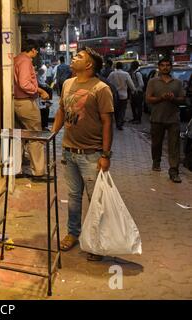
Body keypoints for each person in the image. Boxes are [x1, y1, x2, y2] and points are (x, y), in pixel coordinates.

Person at [52, 47, 114, 261]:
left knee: (95, 199)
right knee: (73, 197)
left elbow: (108, 122)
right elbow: (61, 110)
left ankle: (97, 242)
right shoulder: (68, 83)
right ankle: (73, 233)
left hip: (92, 154)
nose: (73, 58)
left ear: (89, 65)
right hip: (69, 151)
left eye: (79, 56)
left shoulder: (101, 88)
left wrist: (105, 154)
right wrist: (53, 135)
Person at [14, 40, 50, 182]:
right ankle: (38, 172)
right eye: (37, 51)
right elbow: (24, 83)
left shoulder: (17, 59)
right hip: (25, 102)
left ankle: (17, 169)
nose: (37, 54)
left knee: (20, 136)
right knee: (36, 136)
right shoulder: (25, 60)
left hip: (18, 102)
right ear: (33, 50)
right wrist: (40, 91)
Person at [146, 57, 185, 183]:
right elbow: (148, 99)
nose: (165, 67)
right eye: (162, 65)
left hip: (173, 119)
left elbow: (183, 99)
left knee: (174, 145)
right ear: (159, 67)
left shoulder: (178, 83)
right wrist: (161, 98)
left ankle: (174, 171)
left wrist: (173, 99)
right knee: (156, 144)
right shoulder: (153, 82)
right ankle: (156, 162)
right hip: (157, 118)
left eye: (168, 65)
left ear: (171, 67)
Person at [107, 62, 136, 130]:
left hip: (115, 95)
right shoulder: (126, 74)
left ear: (116, 67)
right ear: (122, 67)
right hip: (124, 95)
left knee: (116, 110)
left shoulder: (112, 74)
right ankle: (120, 123)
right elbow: (131, 84)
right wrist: (133, 90)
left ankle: (117, 123)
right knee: (122, 110)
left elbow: (107, 82)